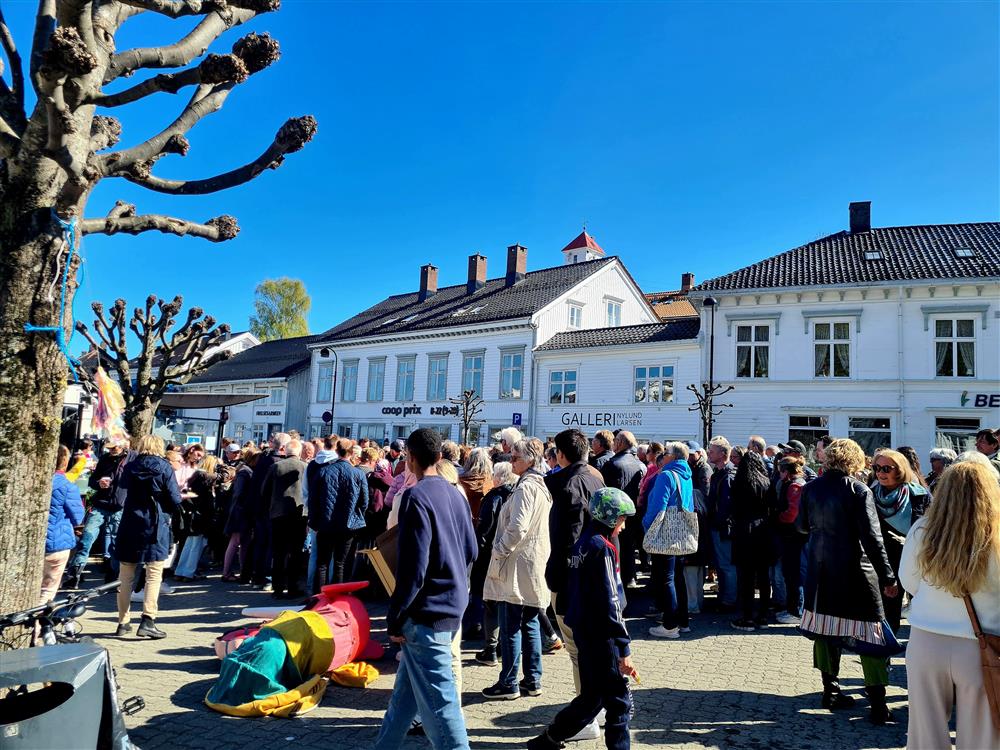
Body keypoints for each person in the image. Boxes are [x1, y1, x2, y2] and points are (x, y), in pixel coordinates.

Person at [375, 429, 476, 750]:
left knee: (442, 706)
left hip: (427, 613)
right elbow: (472, 549)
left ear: (411, 458)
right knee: (403, 702)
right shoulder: (455, 493)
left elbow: (413, 569)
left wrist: (395, 616)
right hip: (451, 603)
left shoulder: (416, 496)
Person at [796, 439, 898, 724]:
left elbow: (801, 526)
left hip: (820, 571)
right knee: (870, 635)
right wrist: (888, 576)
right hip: (856, 572)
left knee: (825, 631)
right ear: (854, 460)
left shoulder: (810, 488)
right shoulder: (858, 490)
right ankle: (878, 704)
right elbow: (872, 538)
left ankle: (830, 691)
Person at [527, 488, 638, 750]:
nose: (624, 526)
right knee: (619, 702)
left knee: (591, 698)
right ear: (611, 518)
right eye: (622, 519)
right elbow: (612, 600)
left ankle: (549, 738)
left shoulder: (583, 544)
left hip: (584, 632)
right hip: (604, 635)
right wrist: (624, 647)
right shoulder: (603, 548)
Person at [900, 461, 1000, 750]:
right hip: (982, 644)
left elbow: (909, 582)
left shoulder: (923, 529)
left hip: (926, 639)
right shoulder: (995, 535)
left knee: (924, 733)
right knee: (983, 736)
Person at [482, 438, 553, 700]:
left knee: (511, 621)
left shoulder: (527, 488)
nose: (511, 462)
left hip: (518, 562)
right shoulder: (538, 485)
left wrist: (499, 549)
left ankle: (509, 682)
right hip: (530, 561)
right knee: (530, 620)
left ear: (531, 460)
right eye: (511, 457)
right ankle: (532, 679)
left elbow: (518, 527)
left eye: (515, 458)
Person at [115, 435, 183, 639]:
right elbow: (174, 497)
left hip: (130, 523)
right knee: (154, 573)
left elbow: (121, 491)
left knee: (125, 576)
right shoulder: (164, 467)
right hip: (154, 524)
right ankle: (148, 619)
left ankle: (123, 621)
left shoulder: (130, 466)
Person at [871, 448, 930, 633]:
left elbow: (931, 527)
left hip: (915, 559)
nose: (880, 473)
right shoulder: (869, 494)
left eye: (887, 468)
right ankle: (886, 653)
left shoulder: (918, 495)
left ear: (900, 470)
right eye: (877, 468)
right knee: (888, 614)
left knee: (921, 612)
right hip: (885, 562)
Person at [65, 436, 131, 588]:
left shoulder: (131, 459)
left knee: (115, 544)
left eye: (114, 447)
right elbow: (92, 481)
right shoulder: (105, 459)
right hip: (101, 505)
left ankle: (112, 579)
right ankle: (73, 576)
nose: (111, 450)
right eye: (109, 447)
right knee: (86, 539)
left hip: (118, 507)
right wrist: (98, 482)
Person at [644, 442, 694, 638]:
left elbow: (658, 507)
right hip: (681, 532)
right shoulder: (687, 475)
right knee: (678, 577)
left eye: (666, 453)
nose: (663, 456)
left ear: (673, 457)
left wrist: (647, 525)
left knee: (665, 578)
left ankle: (670, 625)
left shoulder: (666, 475)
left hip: (665, 532)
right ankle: (682, 621)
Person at [307, 436, 368, 590]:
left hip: (325, 523)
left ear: (337, 450)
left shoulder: (323, 471)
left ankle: (318, 598)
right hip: (347, 525)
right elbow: (364, 501)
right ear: (351, 453)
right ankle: (336, 599)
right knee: (340, 564)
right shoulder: (357, 474)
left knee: (322, 563)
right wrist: (355, 517)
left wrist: (313, 522)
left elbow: (314, 500)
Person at [473, 461, 518, 665]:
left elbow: (484, 531)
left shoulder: (493, 497)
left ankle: (490, 649)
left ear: (499, 477)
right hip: (511, 555)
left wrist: (477, 553)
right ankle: (501, 647)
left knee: (490, 602)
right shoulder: (516, 496)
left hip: (492, 555)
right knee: (505, 602)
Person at [729, 450, 775, 631]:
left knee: (746, 577)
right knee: (764, 576)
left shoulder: (739, 481)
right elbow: (772, 506)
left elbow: (734, 507)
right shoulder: (766, 482)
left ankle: (747, 616)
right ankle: (763, 615)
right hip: (763, 530)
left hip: (744, 531)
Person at [601, 431, 646, 589]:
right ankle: (630, 577)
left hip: (617, 514)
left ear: (619, 443)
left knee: (617, 547)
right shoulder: (640, 464)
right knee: (630, 547)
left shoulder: (612, 464)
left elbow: (607, 492)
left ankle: (618, 580)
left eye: (615, 441)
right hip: (635, 512)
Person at [42, 445, 86, 604]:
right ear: (65, 461)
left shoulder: (28, 478)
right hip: (57, 543)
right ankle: (38, 625)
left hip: (31, 542)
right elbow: (78, 517)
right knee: (47, 589)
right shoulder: (67, 485)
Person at [264, 439, 308, 599]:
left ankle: (277, 588)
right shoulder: (305, 467)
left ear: (285, 450)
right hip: (299, 514)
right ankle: (293, 587)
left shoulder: (276, 466)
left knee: (279, 552)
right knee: (296, 553)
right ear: (299, 451)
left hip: (278, 514)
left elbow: (265, 490)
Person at [173, 454, 221, 581]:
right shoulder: (203, 476)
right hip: (201, 515)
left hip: (192, 514)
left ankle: (180, 571)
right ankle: (189, 572)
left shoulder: (195, 476)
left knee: (189, 544)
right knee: (196, 545)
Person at [774, 456, 807, 625]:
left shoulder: (794, 486)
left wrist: (779, 517)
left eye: (780, 470)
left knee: (794, 574)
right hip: (796, 536)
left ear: (786, 471)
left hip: (793, 537)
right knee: (794, 573)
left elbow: (792, 513)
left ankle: (796, 611)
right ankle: (795, 609)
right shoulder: (799, 483)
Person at [706, 437, 737, 611]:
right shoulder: (719, 473)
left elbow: (726, 504)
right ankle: (724, 597)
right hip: (718, 526)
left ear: (723, 453)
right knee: (721, 565)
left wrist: (719, 522)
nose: (709, 453)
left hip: (724, 528)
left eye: (712, 450)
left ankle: (729, 601)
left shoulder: (728, 475)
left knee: (726, 565)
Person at [222, 448, 257, 581]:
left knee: (243, 542)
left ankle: (243, 571)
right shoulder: (245, 472)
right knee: (236, 542)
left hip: (241, 511)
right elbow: (239, 494)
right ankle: (226, 573)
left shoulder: (245, 471)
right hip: (240, 512)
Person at [459, 447, 493, 521]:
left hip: (464, 520)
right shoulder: (491, 482)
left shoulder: (460, 481)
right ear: (487, 462)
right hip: (482, 522)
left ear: (469, 461)